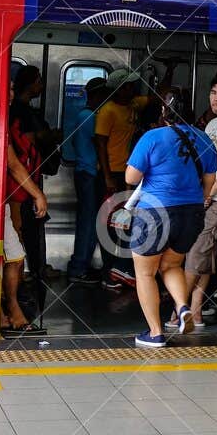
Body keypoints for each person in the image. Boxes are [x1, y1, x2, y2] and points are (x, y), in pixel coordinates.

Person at [124, 92, 217, 348]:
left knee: (145, 273)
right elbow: (209, 182)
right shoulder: (205, 139)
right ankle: (183, 306)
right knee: (172, 266)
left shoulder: (153, 137)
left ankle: (155, 332)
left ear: (164, 114)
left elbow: (131, 178)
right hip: (192, 213)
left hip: (155, 212)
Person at [174, 79, 217, 329]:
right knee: (203, 258)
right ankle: (195, 313)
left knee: (196, 255)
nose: (216, 99)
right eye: (213, 93)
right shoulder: (211, 125)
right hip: (206, 197)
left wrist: (209, 194)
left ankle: (179, 311)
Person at [93, 68, 146, 290]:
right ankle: (109, 272)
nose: (132, 89)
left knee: (125, 223)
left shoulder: (133, 105)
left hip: (128, 173)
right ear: (120, 88)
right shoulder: (108, 111)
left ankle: (120, 269)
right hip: (112, 174)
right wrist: (107, 177)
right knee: (109, 224)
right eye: (128, 85)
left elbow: (157, 95)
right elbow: (100, 145)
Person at [2, 95, 48, 334]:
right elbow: (14, 166)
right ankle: (7, 310)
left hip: (1, 202)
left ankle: (8, 309)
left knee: (14, 256)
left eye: (12, 88)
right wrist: (38, 194)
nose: (10, 93)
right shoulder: (1, 124)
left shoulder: (4, 124)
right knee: (12, 256)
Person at [65, 78, 108, 285]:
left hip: (83, 172)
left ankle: (82, 265)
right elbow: (100, 144)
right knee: (88, 222)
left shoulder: (82, 115)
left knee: (88, 220)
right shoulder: (90, 117)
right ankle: (79, 267)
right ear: (98, 95)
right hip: (90, 174)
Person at [10, 65, 51, 276]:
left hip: (27, 177)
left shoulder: (23, 110)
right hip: (22, 180)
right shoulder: (21, 111)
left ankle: (34, 268)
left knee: (27, 225)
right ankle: (28, 271)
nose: (42, 86)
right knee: (21, 227)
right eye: (39, 81)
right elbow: (25, 150)